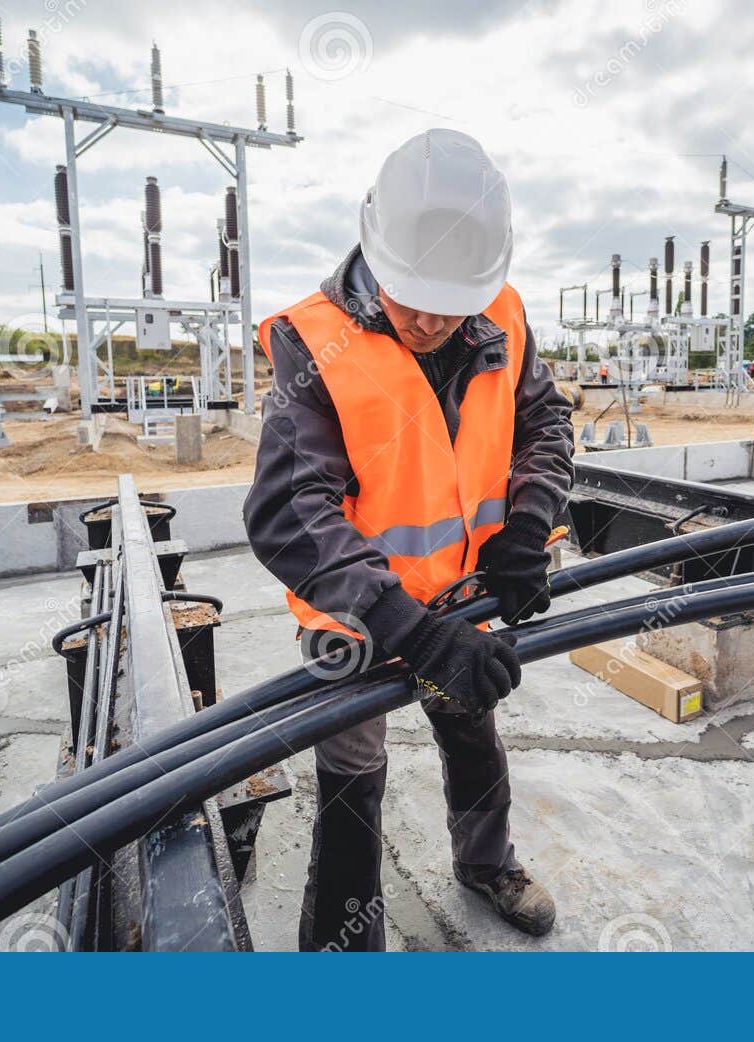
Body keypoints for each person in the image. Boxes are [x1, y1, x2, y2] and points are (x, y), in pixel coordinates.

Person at [243, 129, 574, 952]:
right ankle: (344, 939)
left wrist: (526, 528)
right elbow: (291, 509)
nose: (429, 319)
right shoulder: (313, 342)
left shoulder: (501, 311)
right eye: (410, 295)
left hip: (463, 598)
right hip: (356, 617)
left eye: (449, 301)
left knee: (474, 735)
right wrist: (408, 630)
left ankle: (485, 864)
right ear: (373, 251)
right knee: (352, 776)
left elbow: (544, 423)